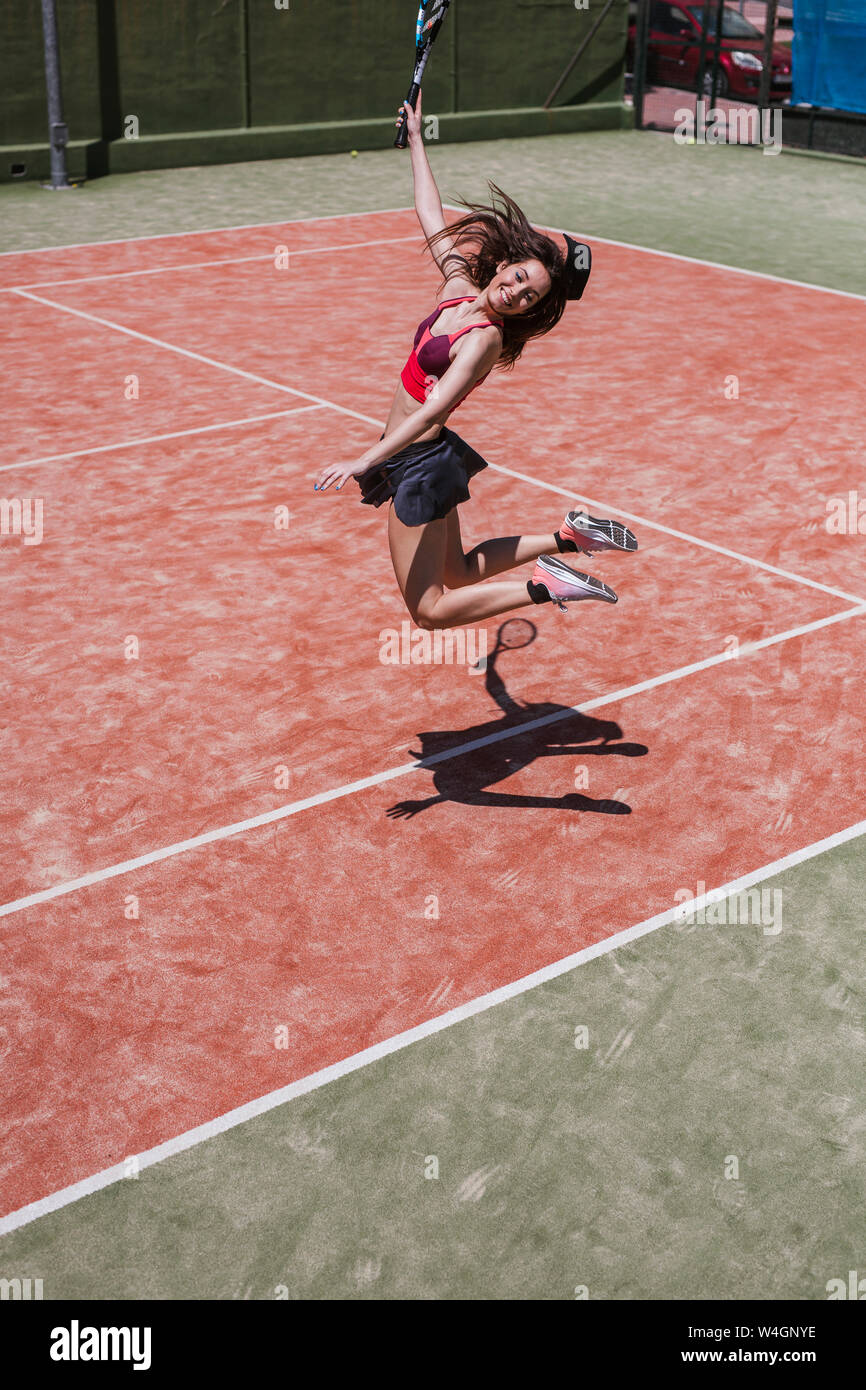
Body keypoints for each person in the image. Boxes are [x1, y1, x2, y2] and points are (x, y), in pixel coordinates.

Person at [315, 91, 637, 630]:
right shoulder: (458, 286)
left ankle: (545, 585)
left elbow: (429, 414)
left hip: (416, 462)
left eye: (529, 296)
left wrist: (363, 461)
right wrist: (416, 139)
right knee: (461, 572)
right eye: (517, 279)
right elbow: (428, 212)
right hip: (424, 458)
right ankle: (571, 537)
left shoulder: (484, 339)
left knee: (430, 610)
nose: (516, 294)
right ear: (504, 265)